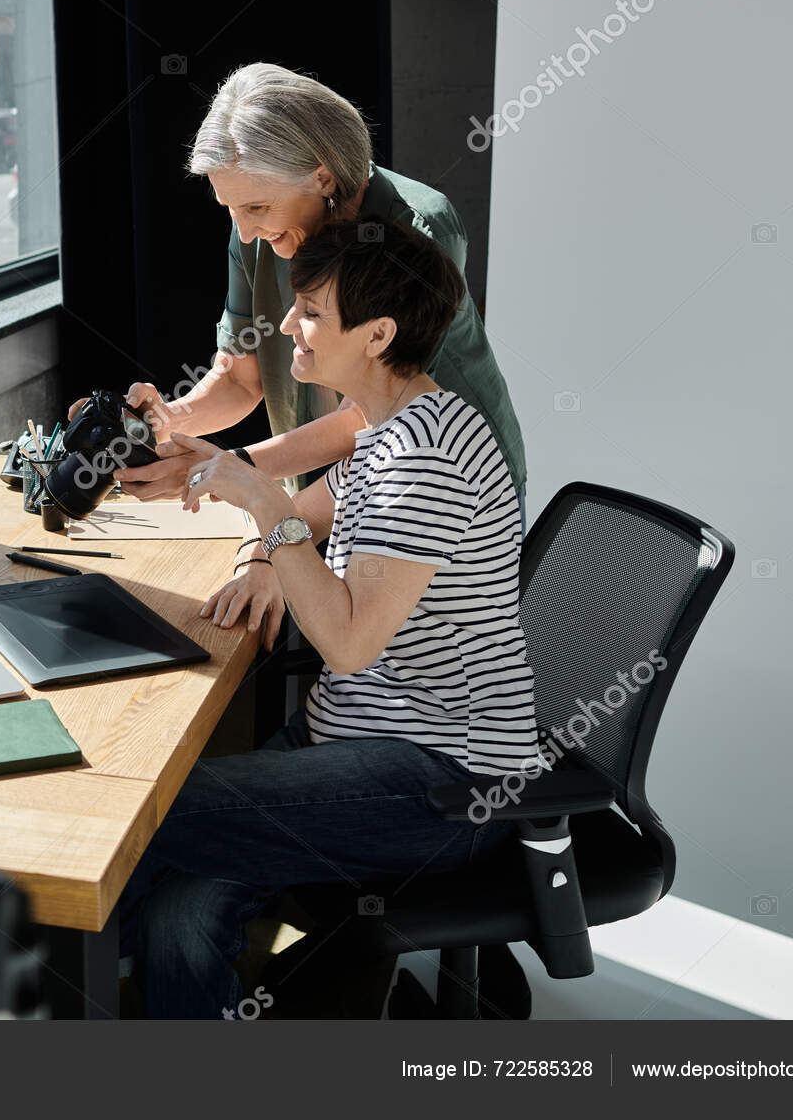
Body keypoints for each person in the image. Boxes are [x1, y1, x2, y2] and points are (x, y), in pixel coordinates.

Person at [117, 215, 537, 1019]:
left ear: (376, 334)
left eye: (309, 311)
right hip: (354, 736)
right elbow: (302, 522)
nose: (286, 326)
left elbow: (345, 638)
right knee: (179, 914)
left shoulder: (428, 458)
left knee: (141, 804)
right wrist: (219, 477)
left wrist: (262, 505)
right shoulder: (390, 427)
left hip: (443, 782)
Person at [88, 62, 526, 649]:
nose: (243, 232)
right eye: (231, 210)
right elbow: (241, 377)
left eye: (257, 209)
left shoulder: (414, 230)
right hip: (339, 479)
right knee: (343, 671)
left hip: (425, 480)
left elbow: (382, 413)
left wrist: (233, 472)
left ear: (321, 176)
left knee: (396, 664)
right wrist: (172, 421)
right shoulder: (259, 226)